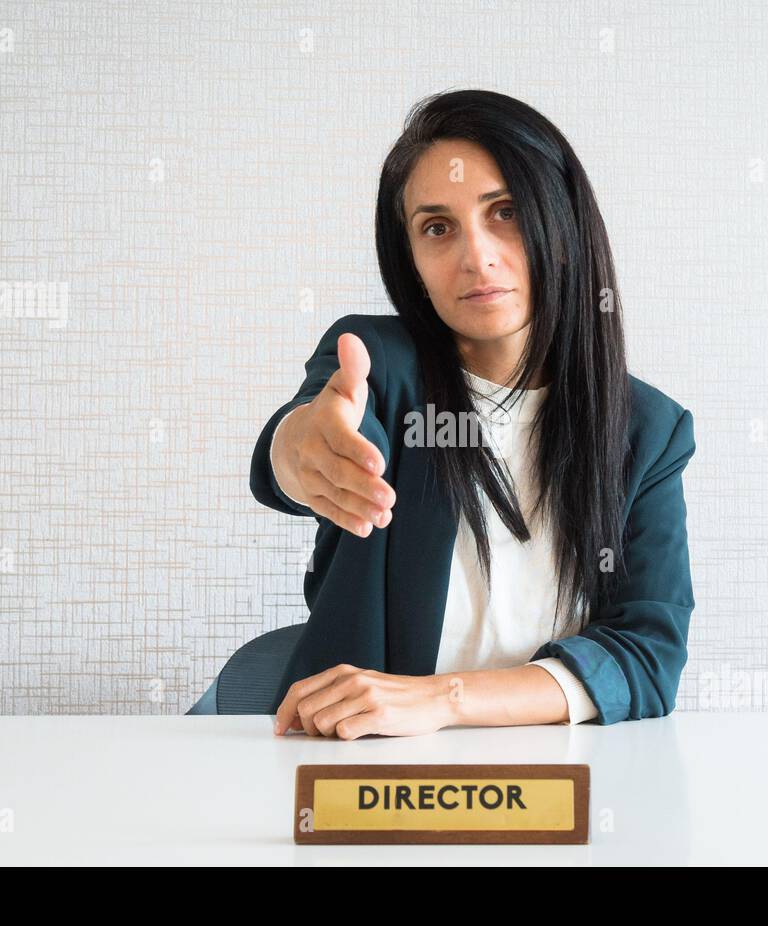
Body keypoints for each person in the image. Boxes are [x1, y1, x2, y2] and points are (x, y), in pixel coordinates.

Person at [188, 89, 696, 738]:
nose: (475, 256)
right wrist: (300, 451)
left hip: (557, 780)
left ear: (564, 227)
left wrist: (442, 700)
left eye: (505, 212)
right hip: (358, 771)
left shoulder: (648, 431)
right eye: (437, 227)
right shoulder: (380, 366)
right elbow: (314, 436)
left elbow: (647, 656)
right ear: (411, 261)